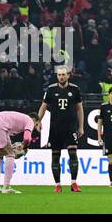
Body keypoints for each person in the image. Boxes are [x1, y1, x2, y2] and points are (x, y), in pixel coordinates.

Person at [38, 65, 84, 194]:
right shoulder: (51, 89)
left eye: (64, 74)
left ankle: (73, 183)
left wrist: (80, 127)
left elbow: (79, 109)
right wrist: (38, 120)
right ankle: (57, 185)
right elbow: (43, 106)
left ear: (68, 75)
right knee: (55, 156)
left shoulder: (75, 89)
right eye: (59, 75)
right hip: (55, 128)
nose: (61, 77)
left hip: (70, 127)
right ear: (57, 76)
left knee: (73, 154)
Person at [0, 109, 34, 194]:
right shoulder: (30, 120)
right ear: (36, 120)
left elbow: (6, 132)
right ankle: (6, 187)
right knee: (10, 155)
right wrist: (24, 147)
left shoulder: (17, 119)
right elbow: (27, 138)